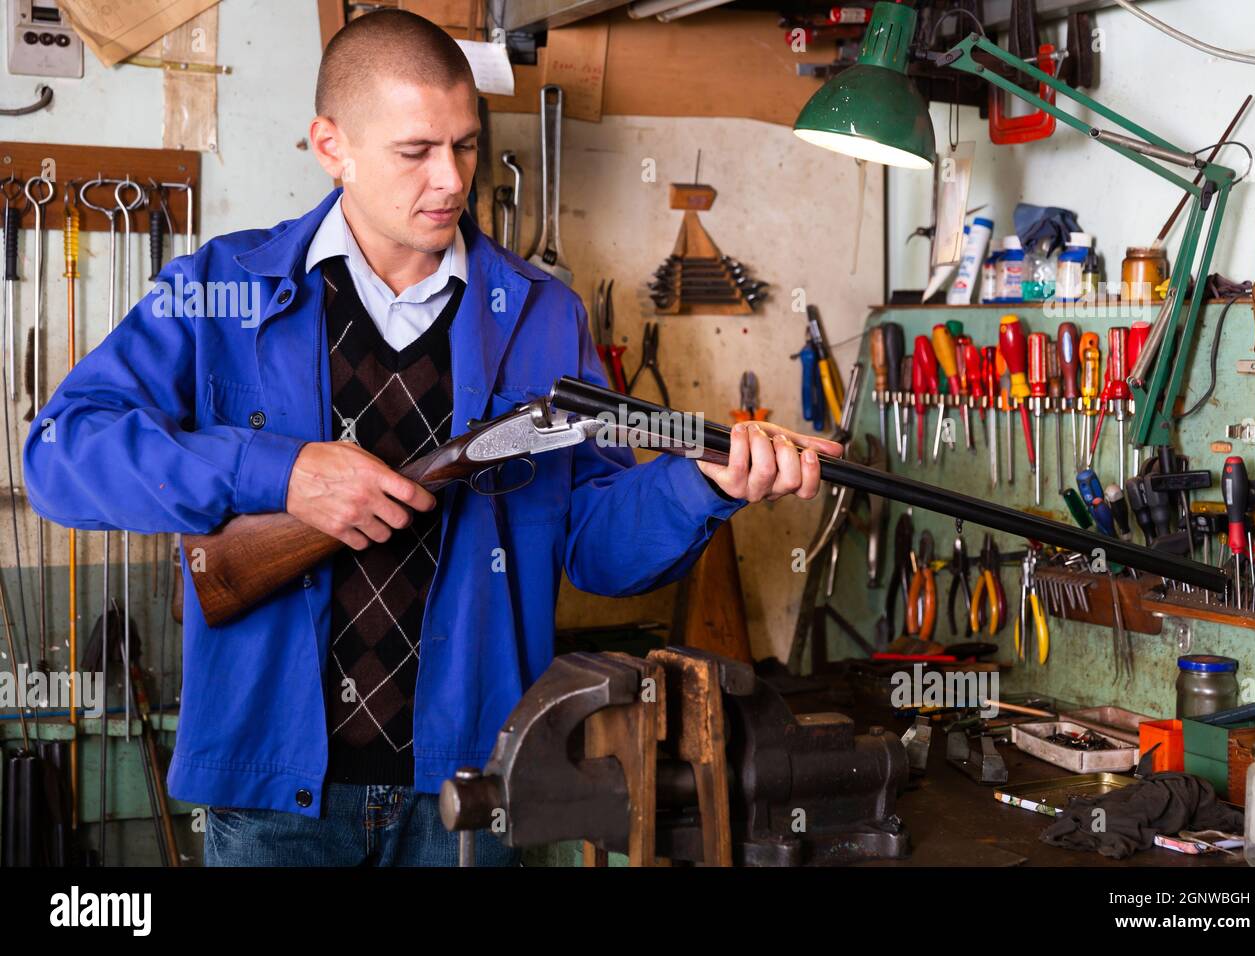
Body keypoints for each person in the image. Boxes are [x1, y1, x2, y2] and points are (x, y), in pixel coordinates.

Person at [24, 10, 840, 866]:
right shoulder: (221, 287)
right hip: (271, 803)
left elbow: (594, 548)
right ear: (330, 145)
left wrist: (702, 484)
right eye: (415, 151)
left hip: (473, 792)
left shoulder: (543, 313)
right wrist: (279, 472)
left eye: (466, 145)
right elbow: (60, 455)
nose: (450, 180)